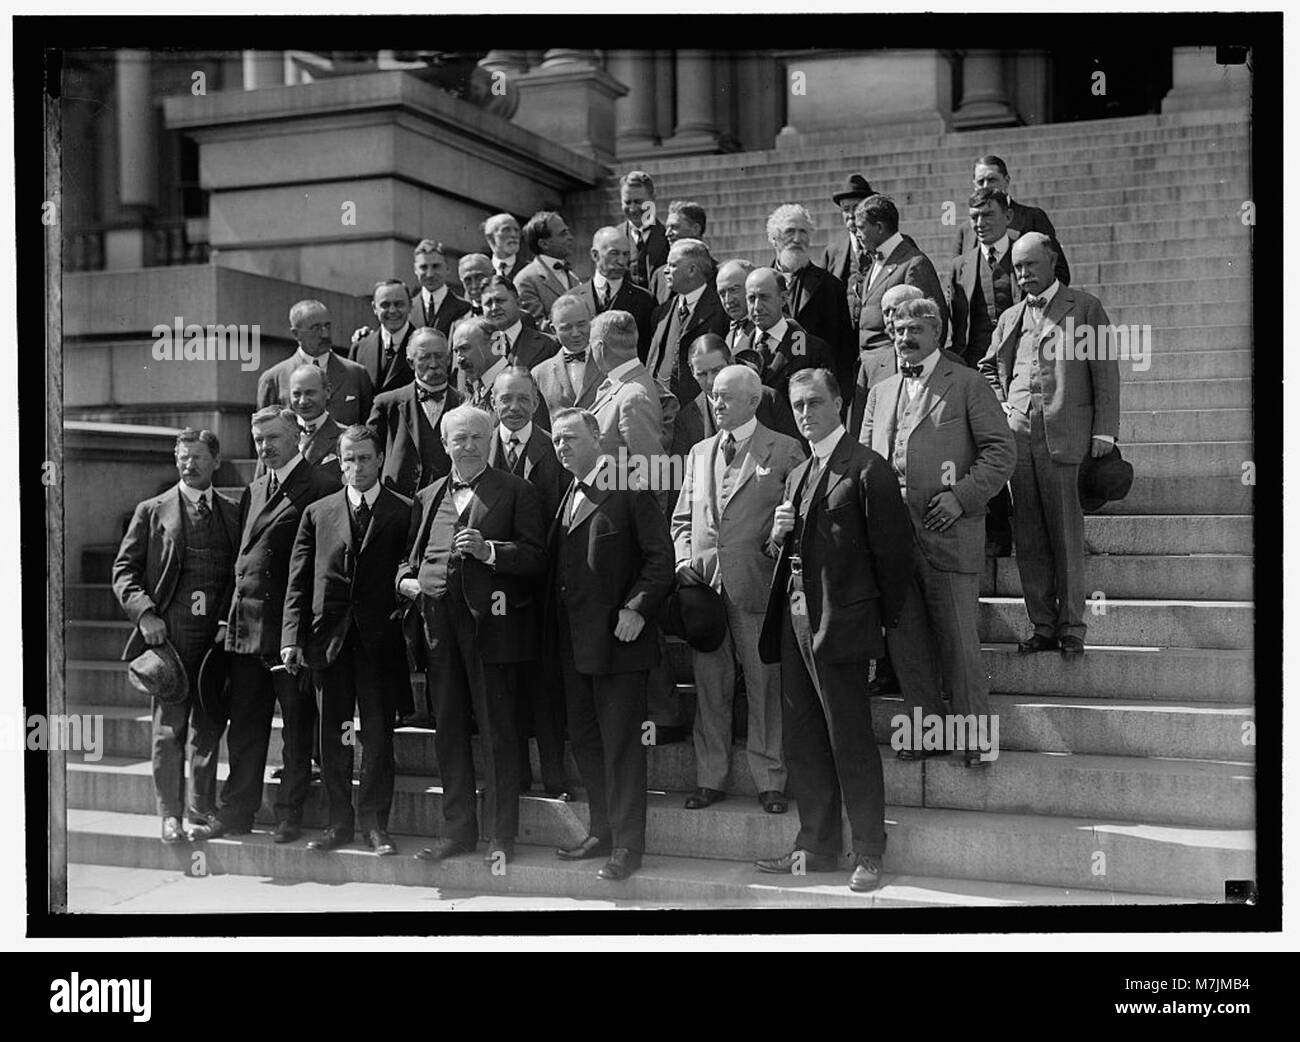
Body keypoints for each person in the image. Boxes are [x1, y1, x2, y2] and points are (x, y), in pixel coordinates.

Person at [754, 368, 913, 893]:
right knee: (803, 740)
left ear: (840, 404)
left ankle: (868, 851)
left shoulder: (869, 470)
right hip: (794, 622)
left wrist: (880, 633)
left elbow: (893, 559)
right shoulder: (799, 473)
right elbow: (789, 548)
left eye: (815, 403)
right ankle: (815, 845)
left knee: (850, 741)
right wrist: (775, 537)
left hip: (841, 624)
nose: (804, 413)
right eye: (798, 405)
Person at [861, 298, 1015, 764]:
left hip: (949, 533)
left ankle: (974, 740)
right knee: (907, 646)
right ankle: (928, 733)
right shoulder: (880, 391)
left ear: (937, 332)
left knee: (959, 645)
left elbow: (1000, 452)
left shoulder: (966, 383)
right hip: (894, 540)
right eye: (898, 329)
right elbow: (868, 462)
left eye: (915, 329)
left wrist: (961, 496)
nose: (904, 338)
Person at [398, 405, 547, 863]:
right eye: (458, 438)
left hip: (493, 630)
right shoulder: (426, 497)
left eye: (477, 438)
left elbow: (537, 558)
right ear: (444, 444)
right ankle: (457, 830)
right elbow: (408, 560)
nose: (467, 446)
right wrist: (407, 582)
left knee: (499, 731)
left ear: (491, 442)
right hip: (439, 629)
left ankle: (501, 836)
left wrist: (491, 552)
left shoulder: (517, 491)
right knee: (448, 729)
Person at [189, 407, 339, 842]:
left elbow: (318, 567)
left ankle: (289, 815)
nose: (265, 447)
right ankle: (237, 812)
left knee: (296, 730)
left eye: (273, 437)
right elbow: (242, 560)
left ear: (297, 435)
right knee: (246, 727)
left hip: (289, 632)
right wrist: (225, 619)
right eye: (258, 440)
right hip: (246, 629)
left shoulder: (321, 485)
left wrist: (303, 632)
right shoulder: (255, 489)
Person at [978, 232, 1119, 659]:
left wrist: (1104, 431)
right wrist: (1003, 403)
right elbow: (986, 366)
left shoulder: (1085, 306)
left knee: (1065, 535)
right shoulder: (1010, 317)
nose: (1023, 275)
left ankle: (1072, 627)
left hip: (1067, 434)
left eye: (1031, 266)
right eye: (1017, 268)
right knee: (1030, 536)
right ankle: (1041, 624)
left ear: (1053, 261)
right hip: (1019, 438)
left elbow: (1106, 371)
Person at [672, 364, 804, 813]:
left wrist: (775, 545)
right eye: (714, 396)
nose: (718, 402)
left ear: (753, 399)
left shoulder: (785, 450)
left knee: (766, 684)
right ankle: (711, 777)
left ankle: (771, 779)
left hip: (758, 584)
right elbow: (682, 520)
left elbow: (799, 518)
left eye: (727, 396)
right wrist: (683, 561)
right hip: (705, 590)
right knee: (711, 685)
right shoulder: (698, 452)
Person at [548, 408, 674, 880]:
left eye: (571, 438)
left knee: (621, 747)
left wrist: (636, 607)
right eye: (557, 440)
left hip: (619, 644)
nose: (562, 447)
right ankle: (602, 831)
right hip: (574, 646)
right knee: (586, 742)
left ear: (596, 437)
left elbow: (660, 559)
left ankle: (627, 846)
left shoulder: (628, 487)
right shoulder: (569, 493)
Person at [281, 425, 413, 853]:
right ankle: (339, 824)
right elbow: (298, 582)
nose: (357, 467)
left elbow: (410, 569)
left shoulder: (404, 510)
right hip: (327, 643)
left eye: (365, 458)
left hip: (379, 643)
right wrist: (291, 637)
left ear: (379, 460)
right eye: (349, 459)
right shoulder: (318, 513)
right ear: (339, 465)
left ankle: (376, 825)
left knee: (377, 735)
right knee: (334, 736)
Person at [111, 428, 240, 843]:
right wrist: (145, 614)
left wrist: (225, 622)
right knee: (169, 731)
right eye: (182, 457)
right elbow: (124, 572)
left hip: (215, 640)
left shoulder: (233, 512)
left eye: (198, 457)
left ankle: (201, 809)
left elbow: (241, 575)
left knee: (209, 727)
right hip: (169, 639)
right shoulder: (152, 510)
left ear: (216, 461)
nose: (189, 464)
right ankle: (170, 816)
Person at [488, 367, 573, 799]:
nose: (515, 407)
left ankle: (555, 777)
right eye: (506, 399)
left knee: (546, 685)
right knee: (505, 686)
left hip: (543, 586)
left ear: (537, 402)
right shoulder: (479, 448)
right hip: (495, 585)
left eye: (523, 398)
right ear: (492, 403)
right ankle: (515, 775)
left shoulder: (554, 449)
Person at [948, 187, 1023, 557]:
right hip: (977, 372)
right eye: (974, 217)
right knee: (980, 448)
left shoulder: (1026, 256)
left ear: (1008, 217)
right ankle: (995, 532)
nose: (980, 224)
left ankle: (1027, 531)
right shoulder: (962, 265)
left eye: (988, 215)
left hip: (1020, 370)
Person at [766, 203, 856, 393]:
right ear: (774, 238)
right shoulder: (758, 285)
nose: (798, 239)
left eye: (803, 232)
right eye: (790, 231)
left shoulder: (830, 286)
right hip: (770, 391)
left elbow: (843, 348)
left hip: (814, 390)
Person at [367, 328, 462, 499]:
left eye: (439, 356)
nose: (433, 364)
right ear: (411, 362)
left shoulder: (464, 404)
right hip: (399, 503)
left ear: (449, 359)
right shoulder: (386, 404)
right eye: (425, 357)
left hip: (448, 503)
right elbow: (370, 455)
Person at [953, 155, 1071, 286]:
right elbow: (958, 277)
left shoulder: (1032, 217)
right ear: (974, 185)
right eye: (981, 182)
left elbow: (1059, 271)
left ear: (1006, 180)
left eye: (992, 180)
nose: (986, 186)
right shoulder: (966, 230)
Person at [852, 194, 948, 352]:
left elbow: (932, 324)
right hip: (870, 364)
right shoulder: (874, 262)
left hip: (894, 365)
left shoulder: (914, 264)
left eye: (861, 228)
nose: (857, 234)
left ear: (880, 228)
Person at [257, 299, 373, 426]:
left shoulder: (356, 374)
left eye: (327, 326)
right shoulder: (274, 378)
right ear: (296, 334)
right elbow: (262, 430)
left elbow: (368, 430)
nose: (325, 334)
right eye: (315, 328)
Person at [647, 238, 729, 407]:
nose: (665, 271)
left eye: (673, 265)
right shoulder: (662, 312)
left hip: (701, 411)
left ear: (692, 270)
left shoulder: (722, 310)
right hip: (662, 409)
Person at [734, 267, 836, 403]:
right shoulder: (737, 350)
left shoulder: (812, 350)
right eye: (752, 299)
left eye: (764, 297)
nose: (757, 306)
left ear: (783, 298)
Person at [687, 335, 800, 443]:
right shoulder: (687, 419)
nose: (711, 381)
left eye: (716, 370)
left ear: (731, 362)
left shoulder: (768, 399)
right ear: (692, 373)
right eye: (702, 374)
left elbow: (794, 453)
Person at [574, 226, 656, 356]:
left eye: (626, 254)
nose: (621, 261)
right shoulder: (573, 299)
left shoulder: (645, 300)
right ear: (595, 255)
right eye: (614, 253)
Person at [532, 294, 603, 416]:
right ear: (553, 330)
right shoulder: (539, 374)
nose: (575, 333)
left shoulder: (610, 361)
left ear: (592, 322)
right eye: (567, 328)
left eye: (581, 325)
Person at [349, 279, 417, 394]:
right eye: (385, 305)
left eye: (398, 304)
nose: (392, 310)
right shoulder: (360, 348)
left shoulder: (424, 345)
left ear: (410, 305)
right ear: (374, 308)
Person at [515, 210, 579, 329]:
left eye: (568, 232)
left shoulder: (573, 276)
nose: (570, 237)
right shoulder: (526, 280)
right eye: (563, 233)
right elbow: (536, 326)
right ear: (544, 244)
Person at [481, 275, 560, 370]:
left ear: (518, 303)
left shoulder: (550, 345)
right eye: (488, 304)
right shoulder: (478, 349)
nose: (494, 308)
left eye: (500, 301)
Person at [286, 363, 345, 483]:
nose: (303, 401)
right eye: (297, 394)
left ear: (327, 392)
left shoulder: (345, 437)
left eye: (310, 393)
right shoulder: (276, 435)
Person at [649, 200, 708, 303]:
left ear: (695, 229)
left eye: (674, 227)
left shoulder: (717, 273)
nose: (667, 234)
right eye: (667, 228)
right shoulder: (659, 277)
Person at [618, 170, 668, 291]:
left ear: (653, 199)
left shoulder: (668, 236)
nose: (633, 209)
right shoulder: (613, 237)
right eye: (627, 202)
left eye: (639, 202)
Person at [410, 240, 472, 333]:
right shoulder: (407, 309)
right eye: (423, 267)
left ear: (447, 268)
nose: (429, 274)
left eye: (435, 266)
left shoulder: (464, 308)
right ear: (415, 270)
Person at [715, 258, 756, 351]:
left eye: (734, 290)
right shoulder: (730, 334)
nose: (728, 300)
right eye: (722, 293)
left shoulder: (770, 326)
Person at [484, 212, 526, 281]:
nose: (514, 234)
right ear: (491, 238)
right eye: (506, 230)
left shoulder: (530, 270)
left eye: (516, 230)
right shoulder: (482, 273)